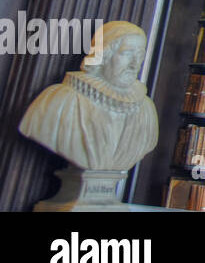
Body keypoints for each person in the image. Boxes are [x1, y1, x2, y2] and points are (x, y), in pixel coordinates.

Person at [19, 21, 157, 171]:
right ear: (102, 54)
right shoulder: (61, 100)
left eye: (140, 55)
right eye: (127, 53)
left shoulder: (146, 111)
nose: (135, 64)